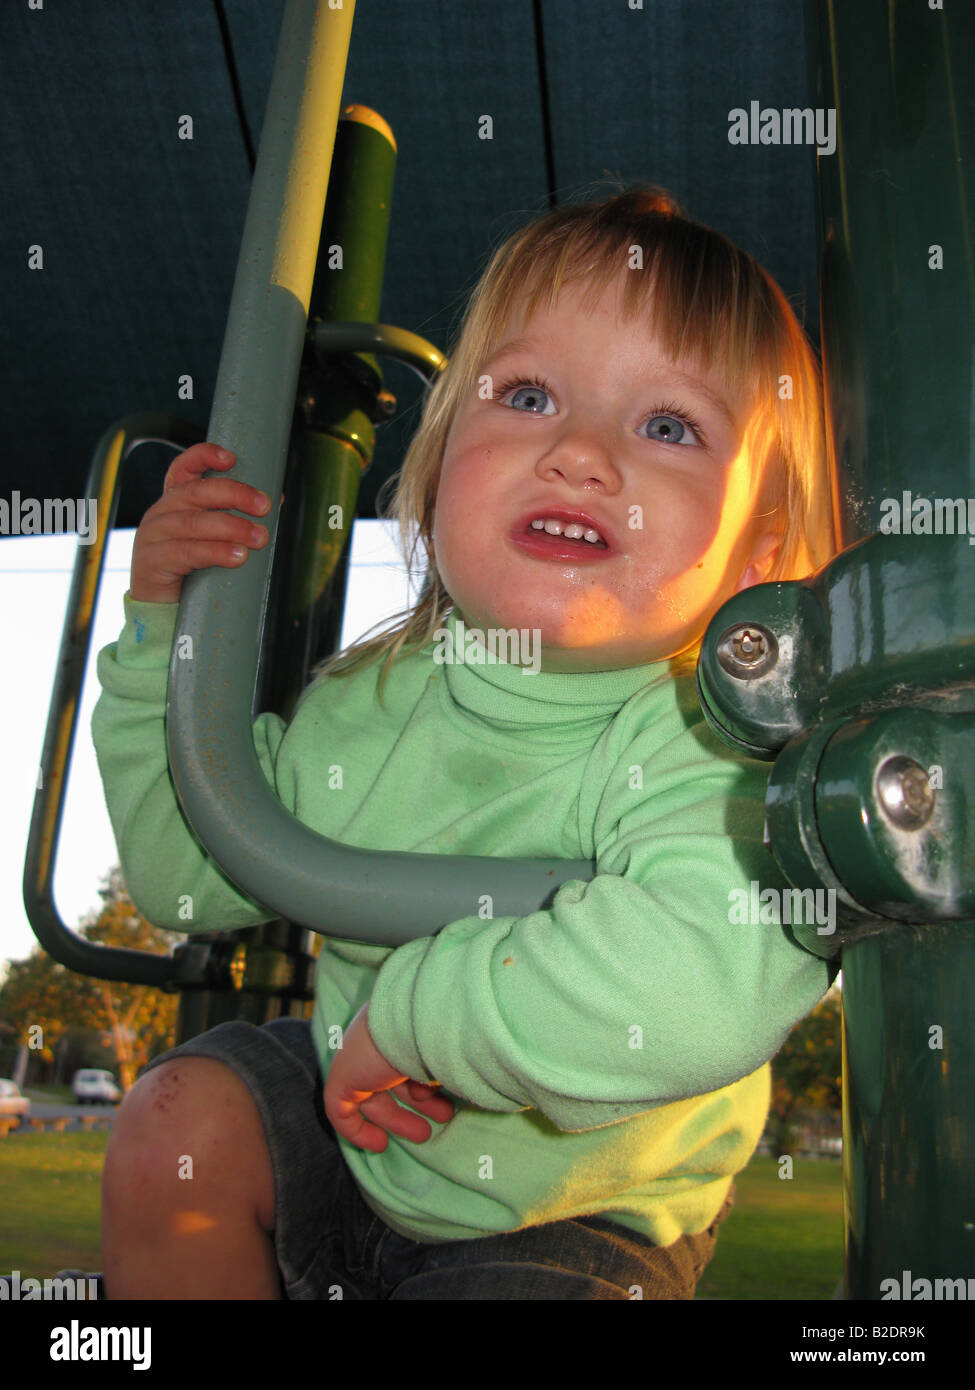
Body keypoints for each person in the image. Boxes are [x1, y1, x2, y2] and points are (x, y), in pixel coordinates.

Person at [91, 186, 840, 1300]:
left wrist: (418, 1022)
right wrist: (161, 632)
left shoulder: (706, 744)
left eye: (667, 425)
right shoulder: (363, 714)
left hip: (582, 1209)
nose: (581, 454)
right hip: (355, 1153)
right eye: (530, 395)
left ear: (753, 554)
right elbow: (183, 873)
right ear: (438, 470)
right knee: (174, 1122)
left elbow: (708, 976)